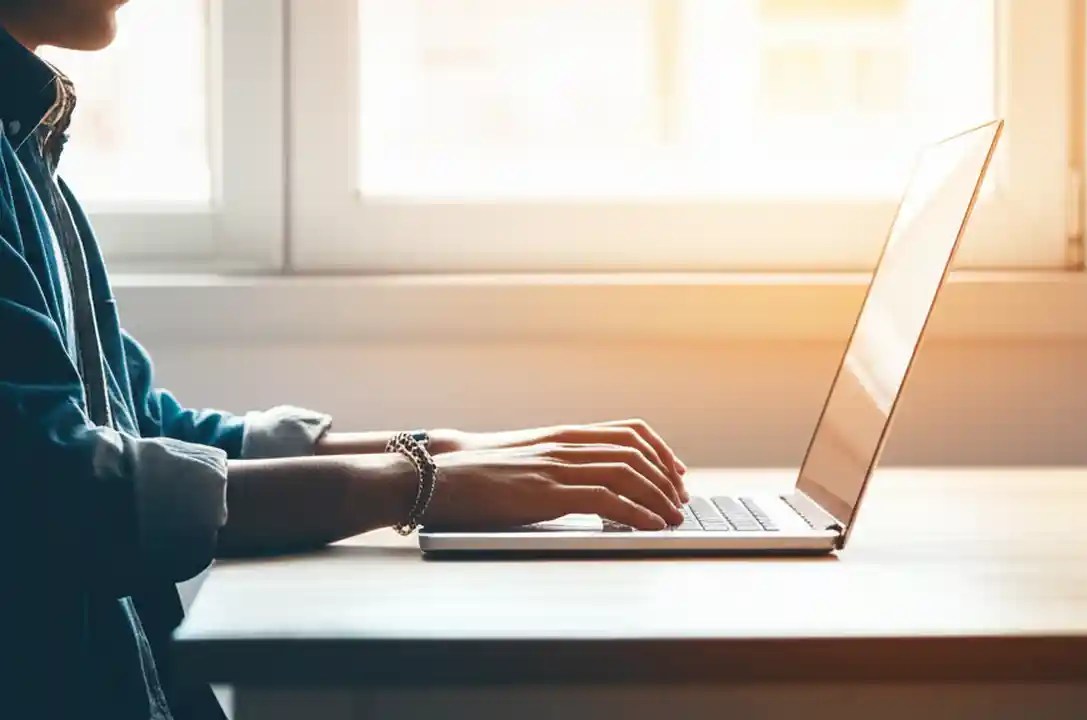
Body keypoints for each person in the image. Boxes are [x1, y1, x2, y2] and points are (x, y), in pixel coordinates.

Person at [0, 1, 689, 718]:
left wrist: (444, 451)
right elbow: (70, 490)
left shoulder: (24, 147)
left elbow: (140, 427)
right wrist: (416, 483)